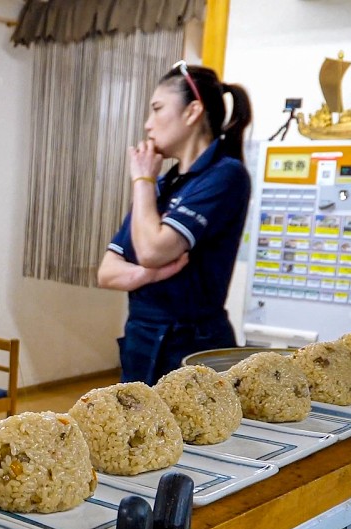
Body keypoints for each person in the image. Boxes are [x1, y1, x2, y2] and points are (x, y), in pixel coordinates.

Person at [96, 61, 253, 385]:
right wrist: (149, 274)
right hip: (141, 338)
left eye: (157, 109)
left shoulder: (225, 174)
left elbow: (152, 250)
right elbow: (107, 272)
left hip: (192, 343)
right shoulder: (162, 184)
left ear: (192, 111)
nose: (147, 124)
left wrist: (141, 179)